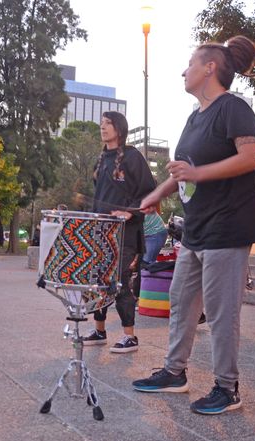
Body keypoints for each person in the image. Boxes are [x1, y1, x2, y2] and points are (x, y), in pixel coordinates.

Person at [131, 36, 255, 413]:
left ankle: (228, 388)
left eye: (190, 63)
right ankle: (175, 373)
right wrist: (158, 192)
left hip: (229, 225)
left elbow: (250, 157)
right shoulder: (195, 117)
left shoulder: (233, 108)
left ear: (209, 68)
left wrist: (198, 173)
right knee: (181, 301)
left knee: (222, 312)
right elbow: (184, 170)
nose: (183, 70)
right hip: (196, 227)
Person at [82, 111, 156, 353]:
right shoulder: (102, 158)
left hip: (125, 233)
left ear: (119, 129)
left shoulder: (133, 157)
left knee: (120, 282)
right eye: (101, 123)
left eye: (108, 123)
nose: (102, 127)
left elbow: (149, 190)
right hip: (100, 231)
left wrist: (131, 212)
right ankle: (100, 330)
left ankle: (130, 336)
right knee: (98, 282)